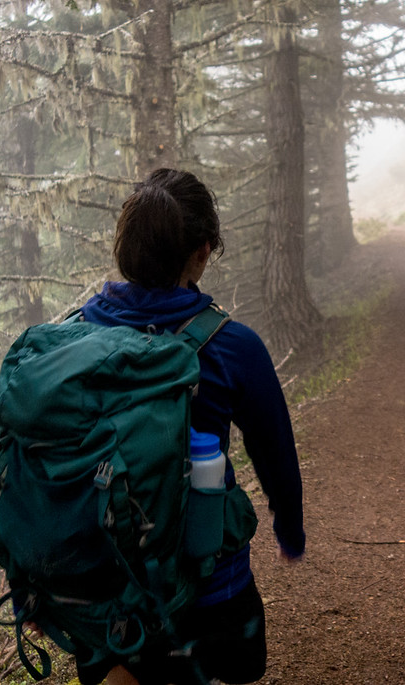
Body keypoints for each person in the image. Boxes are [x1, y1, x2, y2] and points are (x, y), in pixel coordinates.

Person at [74, 167, 306, 685]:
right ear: (201, 252)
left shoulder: (74, 337)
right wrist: (289, 531)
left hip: (104, 586)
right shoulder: (231, 345)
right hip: (209, 583)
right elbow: (274, 455)